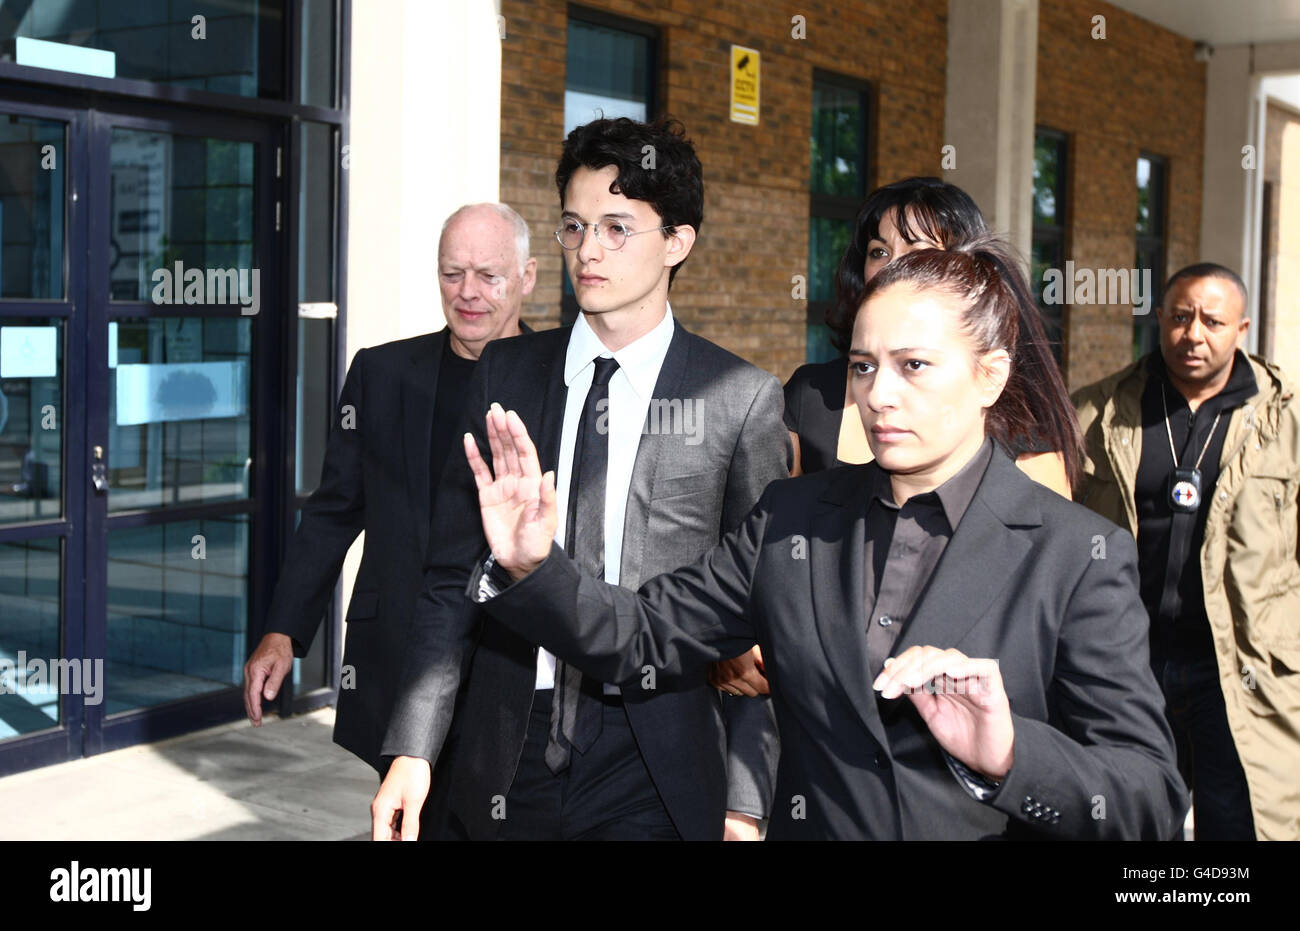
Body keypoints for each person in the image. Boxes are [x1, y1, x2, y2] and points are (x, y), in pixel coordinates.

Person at [466, 236, 1188, 840]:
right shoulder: (793, 519)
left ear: (990, 375)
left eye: (913, 366)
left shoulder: (1074, 554)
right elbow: (646, 632)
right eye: (865, 366)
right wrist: (534, 564)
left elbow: (1151, 794)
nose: (879, 394)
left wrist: (1008, 754)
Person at [372, 117, 788, 841]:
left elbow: (762, 614)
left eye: (617, 227)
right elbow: (449, 579)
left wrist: (746, 801)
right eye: (574, 226)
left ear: (678, 242)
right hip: (508, 742)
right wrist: (412, 746)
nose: (589, 250)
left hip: (655, 753)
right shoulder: (504, 374)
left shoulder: (737, 399)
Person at [242, 202, 535, 775]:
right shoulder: (381, 374)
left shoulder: (563, 380)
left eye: (488, 275)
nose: (467, 292)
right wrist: (283, 630)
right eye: (452, 274)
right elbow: (332, 513)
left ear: (526, 278)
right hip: (397, 654)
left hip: (512, 663)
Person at [1073, 263, 1300, 841]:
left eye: (1213, 321)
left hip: (1240, 667)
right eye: (1180, 317)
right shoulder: (1099, 414)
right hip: (1126, 661)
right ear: (1160, 320)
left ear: (1242, 328)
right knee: (1132, 819)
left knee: (1240, 822)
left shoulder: (1285, 421)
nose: (1194, 334)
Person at [784, 177, 1075, 496]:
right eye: (879, 251)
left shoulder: (1021, 425)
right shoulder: (809, 394)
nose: (892, 268)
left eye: (919, 251)